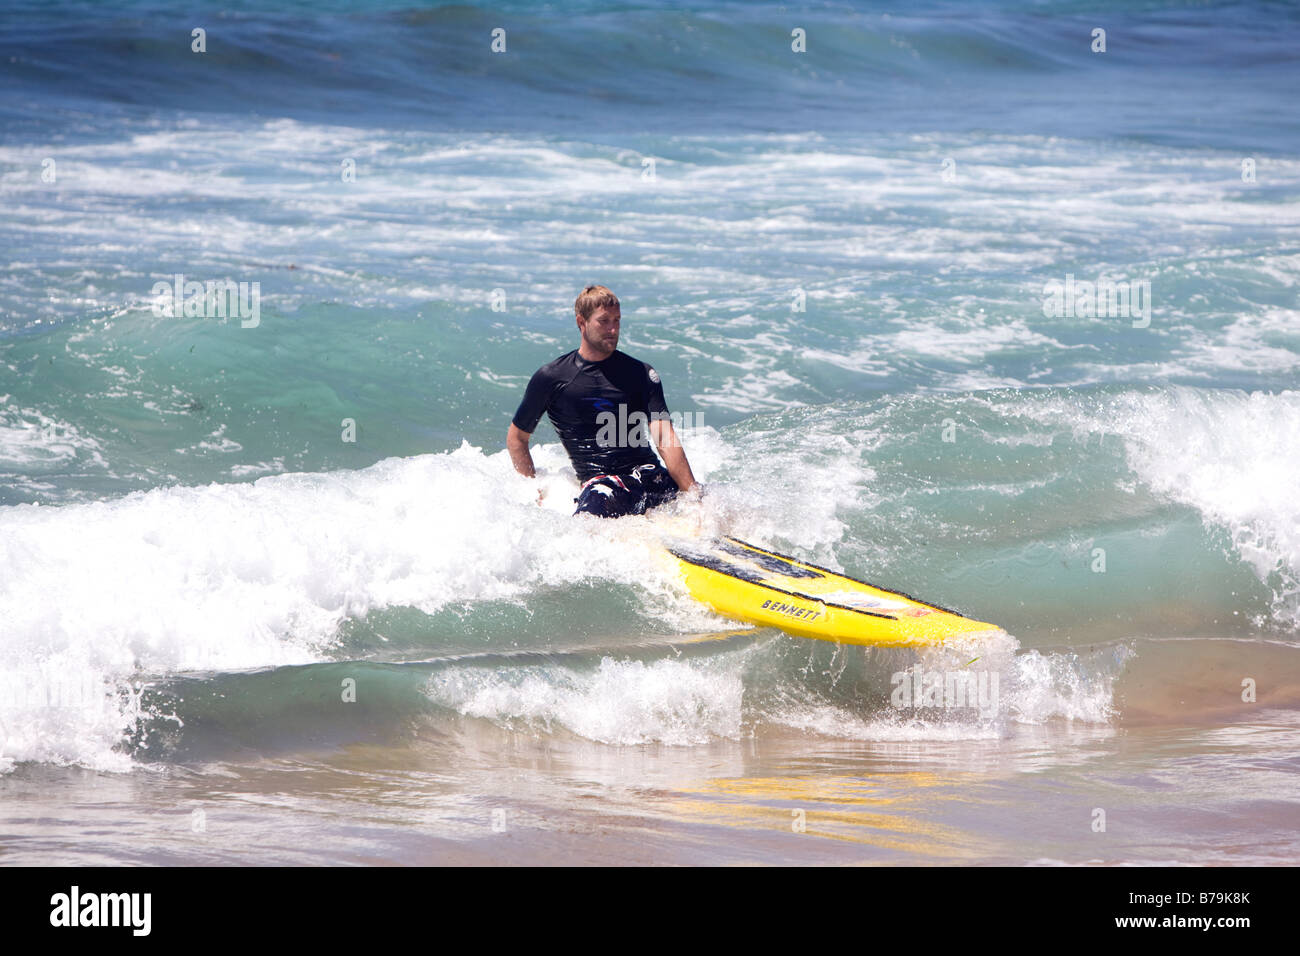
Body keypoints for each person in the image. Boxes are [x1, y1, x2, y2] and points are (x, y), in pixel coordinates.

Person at [507, 285, 699, 517]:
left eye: (617, 320)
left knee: (713, 502)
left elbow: (665, 437)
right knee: (588, 521)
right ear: (581, 322)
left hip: (648, 477)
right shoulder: (552, 378)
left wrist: (694, 497)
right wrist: (531, 489)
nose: (613, 329)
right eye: (604, 321)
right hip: (602, 486)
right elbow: (517, 438)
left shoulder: (640, 373)